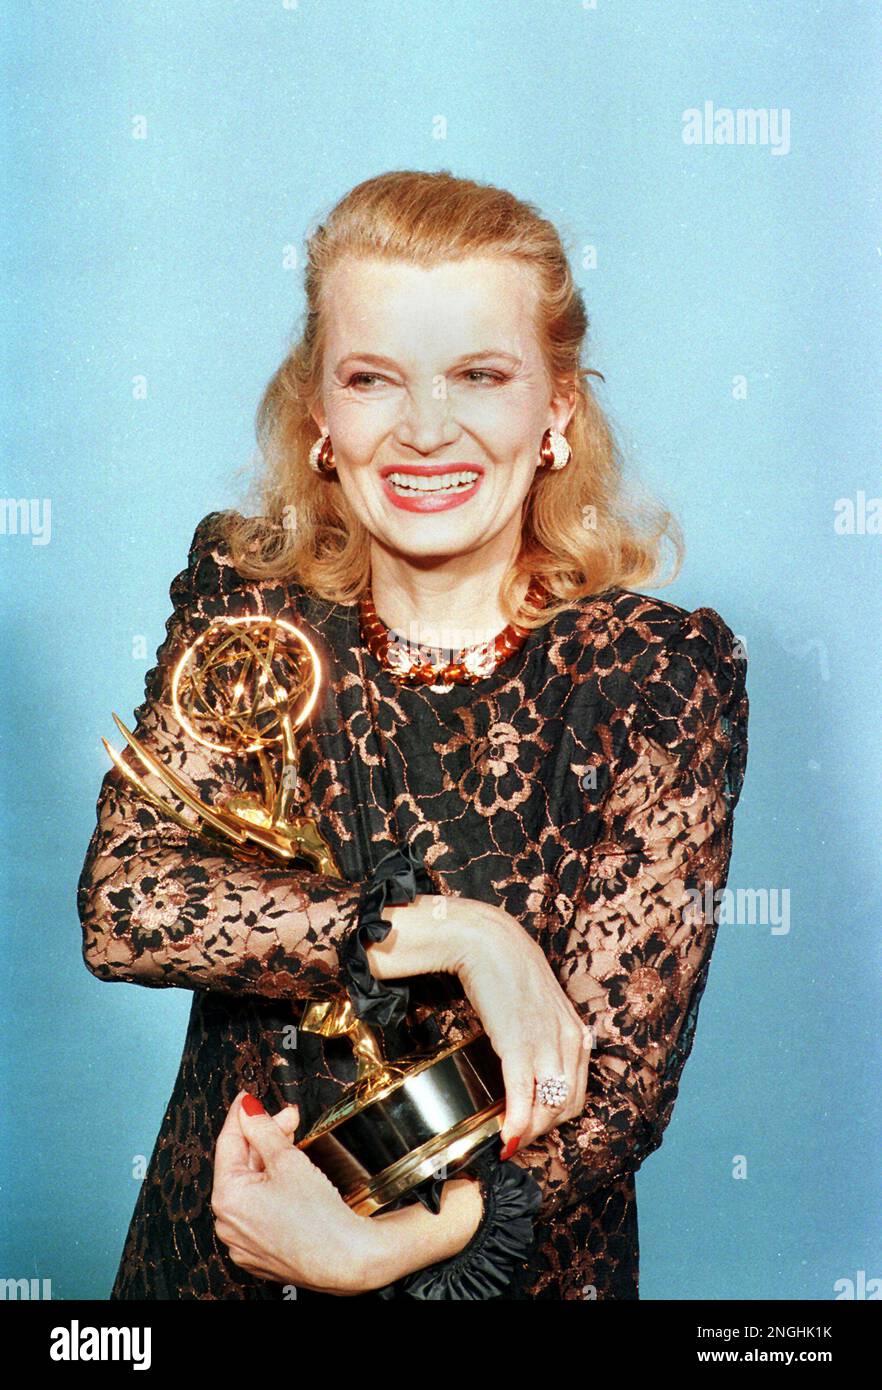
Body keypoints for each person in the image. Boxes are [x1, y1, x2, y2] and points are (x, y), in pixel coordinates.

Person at [76, 169, 749, 1301]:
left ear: (557, 411)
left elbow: (618, 1088)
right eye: (374, 378)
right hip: (218, 1274)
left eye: (479, 375)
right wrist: (460, 934)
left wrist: (373, 1252)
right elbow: (127, 904)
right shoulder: (251, 605)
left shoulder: (653, 673)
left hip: (504, 1278)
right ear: (320, 420)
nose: (426, 429)